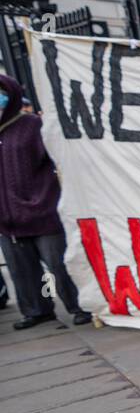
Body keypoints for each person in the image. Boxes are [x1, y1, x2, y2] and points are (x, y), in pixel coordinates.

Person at [0, 74, 90, 329]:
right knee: (23, 270)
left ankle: (79, 305)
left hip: (42, 212)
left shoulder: (32, 126)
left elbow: (58, 162)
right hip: (7, 221)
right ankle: (37, 310)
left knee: (60, 265)